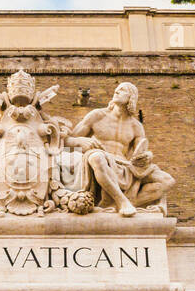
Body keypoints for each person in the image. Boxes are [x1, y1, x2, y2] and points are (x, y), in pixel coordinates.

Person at [66, 82, 174, 216]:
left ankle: (130, 202)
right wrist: (79, 140)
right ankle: (121, 201)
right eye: (116, 89)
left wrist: (148, 155)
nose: (116, 92)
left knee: (167, 180)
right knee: (96, 158)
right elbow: (67, 141)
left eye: (122, 90)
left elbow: (141, 150)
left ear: (131, 97)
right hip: (100, 157)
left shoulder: (136, 126)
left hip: (125, 165)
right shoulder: (97, 115)